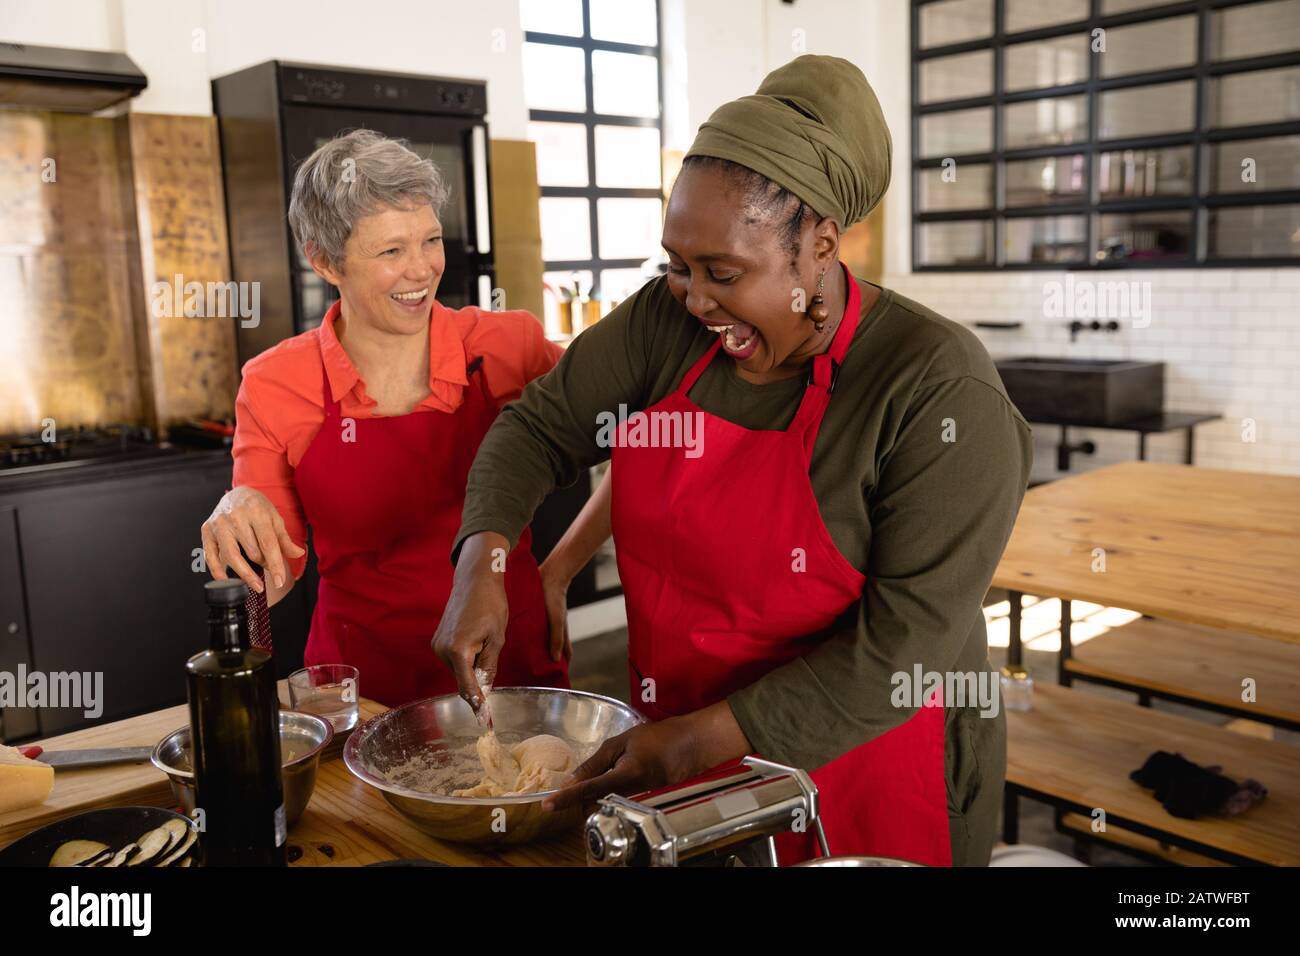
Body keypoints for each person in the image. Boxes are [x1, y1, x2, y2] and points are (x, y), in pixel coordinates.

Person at [434, 56, 1033, 865]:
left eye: (724, 274)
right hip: (683, 739)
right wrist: (484, 560)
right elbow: (537, 430)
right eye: (677, 266)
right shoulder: (666, 322)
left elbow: (899, 655)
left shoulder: (936, 389)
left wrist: (693, 748)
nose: (694, 299)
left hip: (867, 759)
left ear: (821, 246)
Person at [201, 129, 570, 707]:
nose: (421, 270)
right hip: (362, 687)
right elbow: (271, 582)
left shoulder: (507, 345)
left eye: (430, 240)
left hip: (508, 663)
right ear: (324, 261)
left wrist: (563, 567)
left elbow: (634, 429)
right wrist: (237, 515)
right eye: (391, 251)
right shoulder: (276, 383)